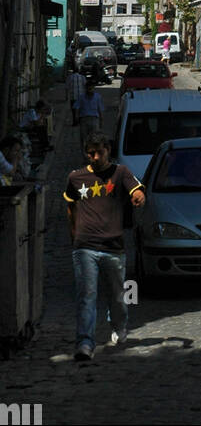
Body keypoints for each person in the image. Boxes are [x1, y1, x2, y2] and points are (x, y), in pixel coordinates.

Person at [63, 133, 145, 362]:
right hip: (85, 246)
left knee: (119, 296)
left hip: (113, 246)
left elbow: (136, 190)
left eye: (100, 152)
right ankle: (85, 342)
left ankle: (119, 326)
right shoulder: (75, 177)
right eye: (91, 153)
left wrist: (139, 196)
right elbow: (70, 207)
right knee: (86, 295)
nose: (95, 157)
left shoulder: (121, 173)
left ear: (108, 150)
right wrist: (74, 234)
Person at [73, 81, 105, 153]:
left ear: (93, 88)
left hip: (94, 119)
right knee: (84, 139)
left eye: (91, 88)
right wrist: (76, 117)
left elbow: (100, 109)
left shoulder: (97, 97)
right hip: (84, 119)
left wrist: (101, 120)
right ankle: (85, 155)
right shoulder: (81, 97)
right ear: (85, 89)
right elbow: (76, 107)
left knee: (95, 139)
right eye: (88, 88)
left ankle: (95, 154)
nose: (90, 90)